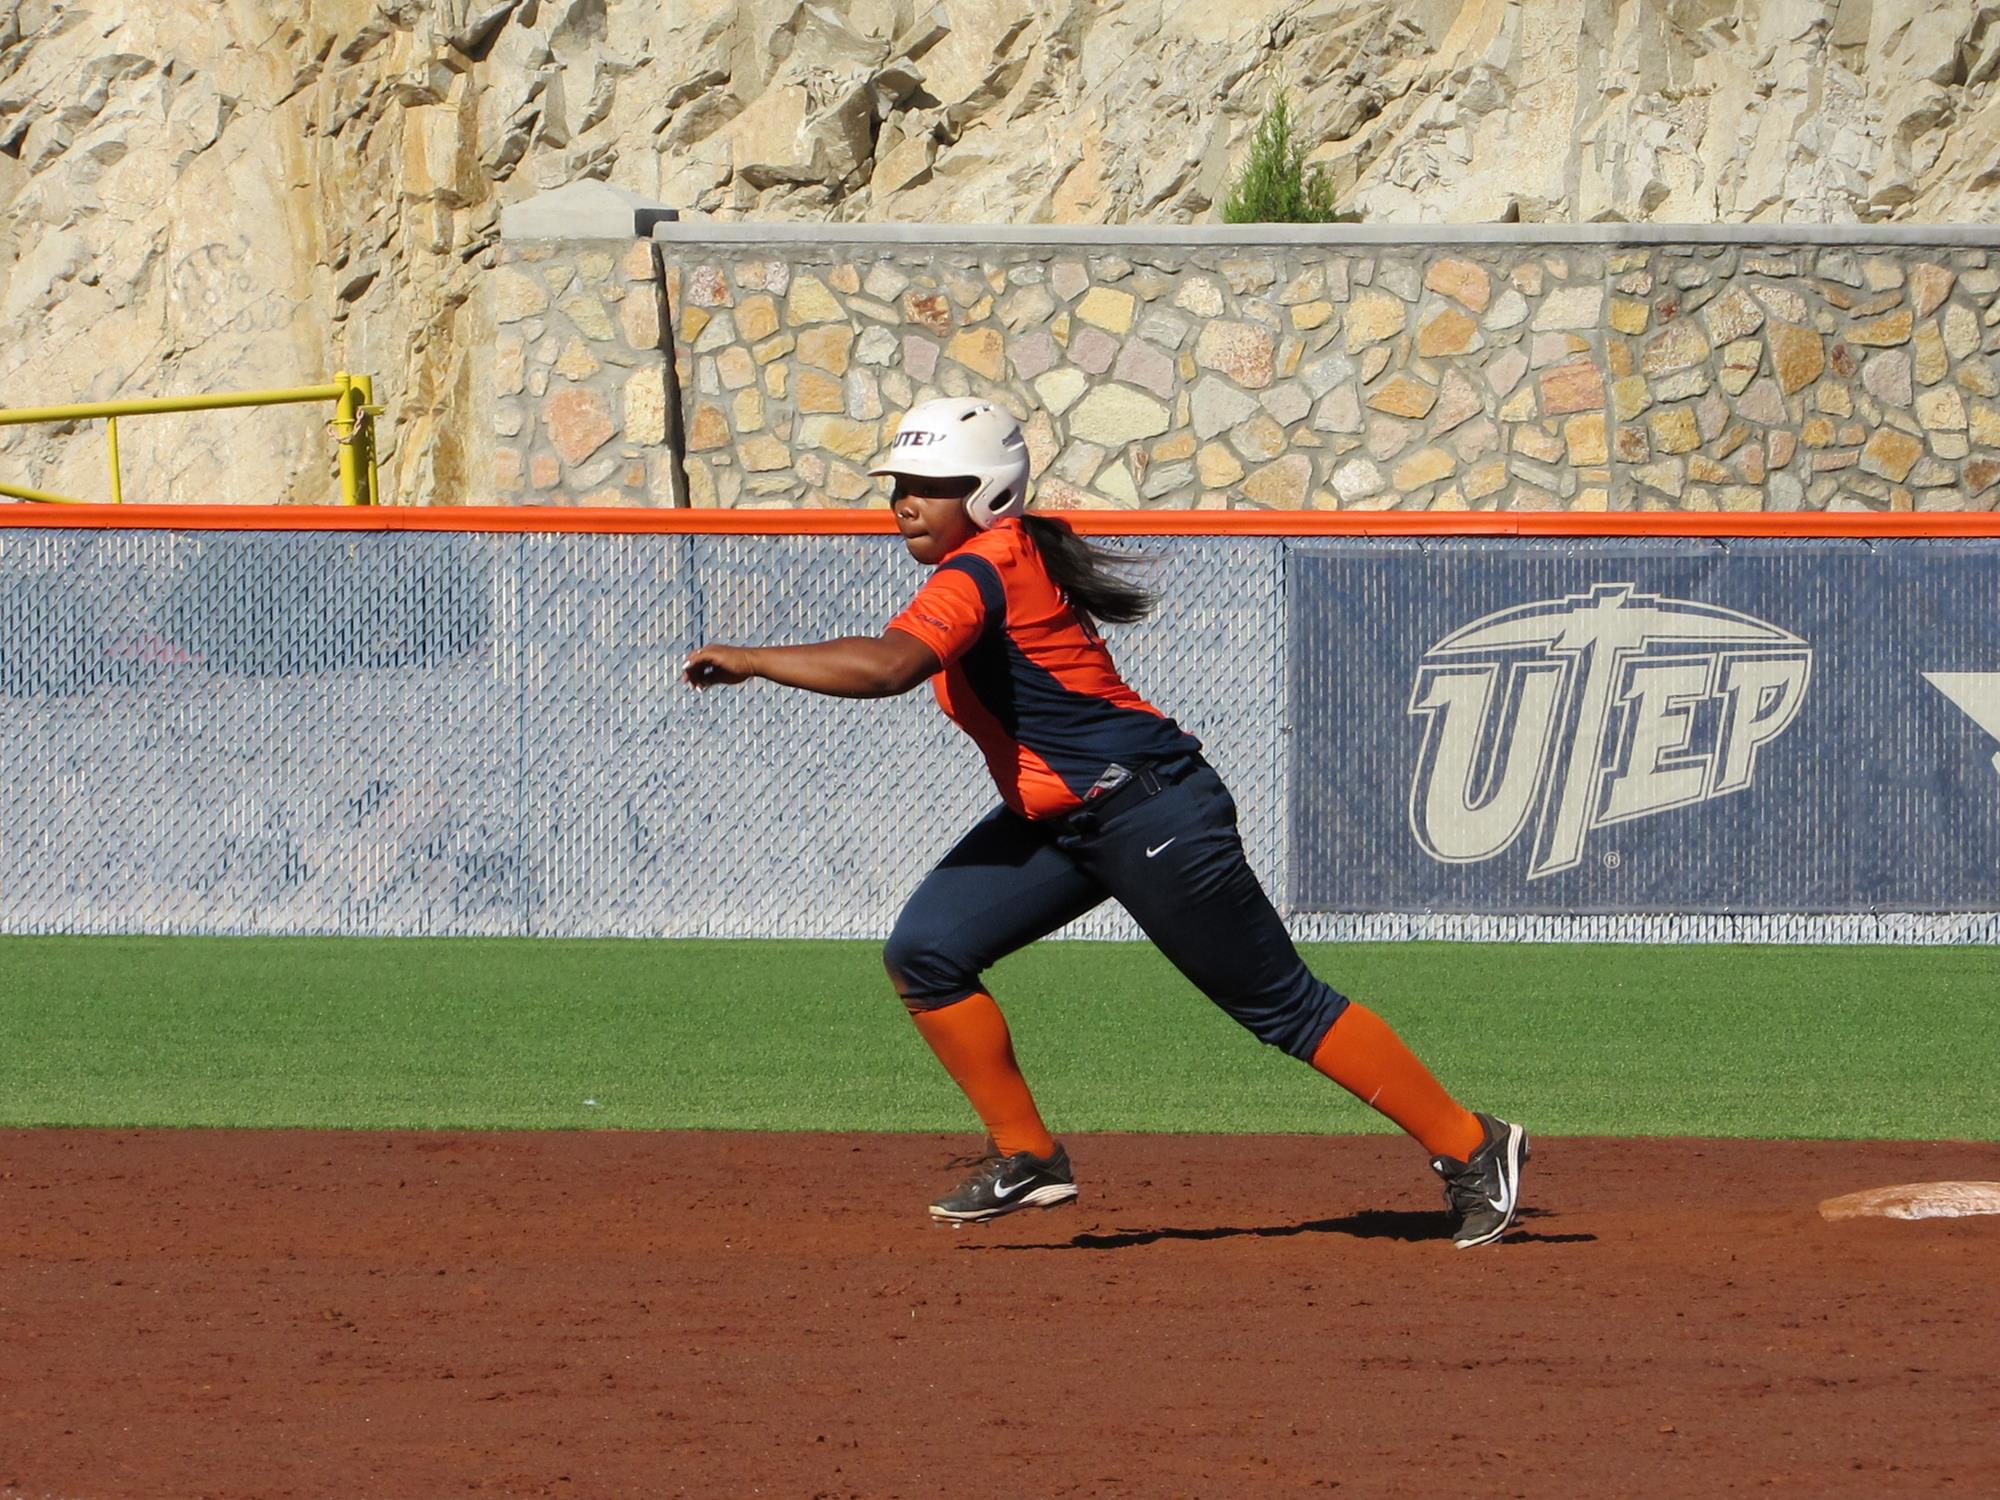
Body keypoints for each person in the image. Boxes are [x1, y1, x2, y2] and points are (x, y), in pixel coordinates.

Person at [683, 397, 1530, 1248]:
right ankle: (1028, 1156)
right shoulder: (993, 560)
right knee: (926, 952)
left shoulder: (984, 567)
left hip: (1151, 809)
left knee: (1281, 1006)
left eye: (932, 483)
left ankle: (1473, 1145)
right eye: (900, 482)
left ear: (989, 493)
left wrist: (754, 659)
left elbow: (889, 668)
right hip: (1067, 821)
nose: (904, 498)